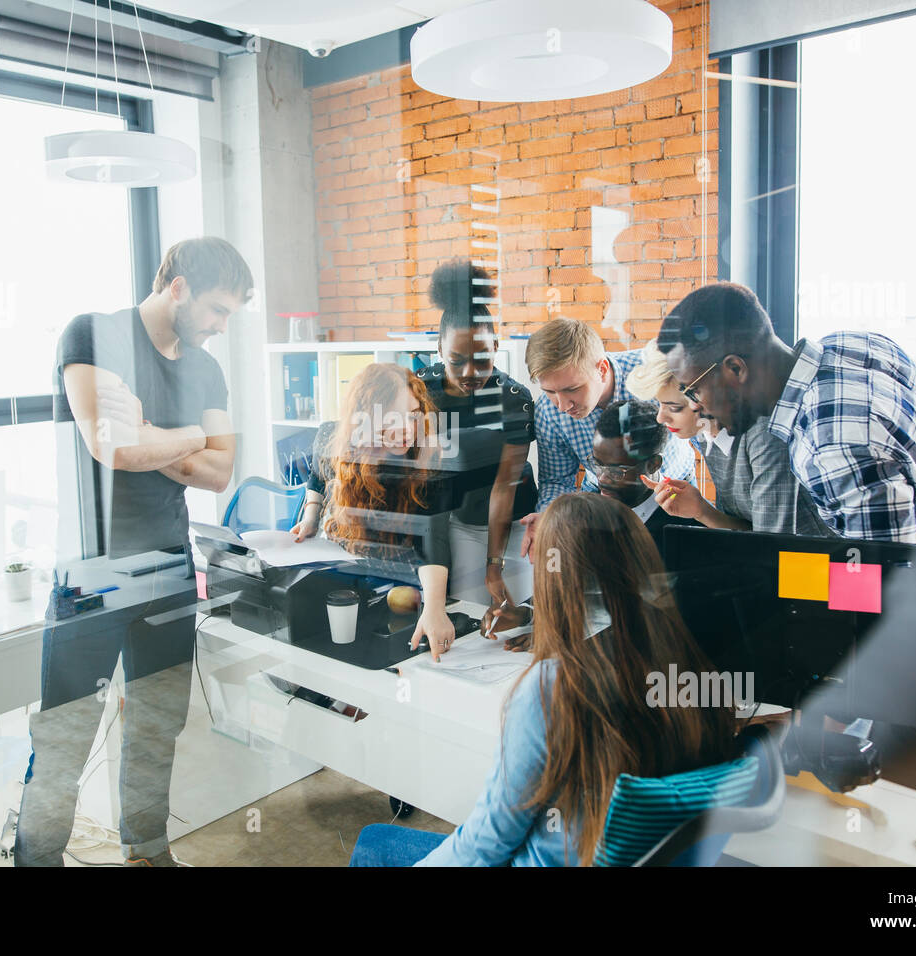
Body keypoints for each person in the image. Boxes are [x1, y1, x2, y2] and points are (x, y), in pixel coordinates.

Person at [15, 237, 253, 866]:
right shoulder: (93, 335)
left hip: (170, 567)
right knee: (65, 734)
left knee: (156, 728)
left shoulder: (205, 367)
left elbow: (221, 473)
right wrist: (193, 437)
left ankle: (146, 851)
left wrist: (155, 433)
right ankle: (37, 860)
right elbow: (110, 448)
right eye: (217, 310)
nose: (221, 327)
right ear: (177, 286)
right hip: (92, 571)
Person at [348, 492, 740, 866]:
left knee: (375, 843)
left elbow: (486, 845)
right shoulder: (685, 657)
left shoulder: (553, 688)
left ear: (557, 575)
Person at [656, 282, 916, 569]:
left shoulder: (828, 443)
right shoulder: (858, 345)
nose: (697, 403)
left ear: (735, 369)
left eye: (694, 388)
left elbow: (878, 592)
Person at [484, 399, 702, 638]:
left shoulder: (682, 531)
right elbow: (576, 594)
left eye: (617, 471)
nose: (603, 480)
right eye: (597, 465)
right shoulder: (583, 518)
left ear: (653, 464)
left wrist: (563, 638)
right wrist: (526, 614)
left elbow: (658, 625)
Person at [291, 363, 457, 659]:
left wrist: (434, 609)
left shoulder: (428, 455)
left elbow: (434, 538)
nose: (408, 429)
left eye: (414, 414)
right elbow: (318, 471)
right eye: (394, 418)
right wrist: (310, 516)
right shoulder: (333, 437)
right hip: (349, 569)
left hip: (402, 578)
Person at [417, 258, 537, 615]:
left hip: (515, 520)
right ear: (439, 350)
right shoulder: (422, 391)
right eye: (457, 361)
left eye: (482, 359)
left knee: (518, 612)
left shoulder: (513, 399)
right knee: (468, 612)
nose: (471, 373)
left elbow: (504, 486)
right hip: (461, 520)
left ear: (496, 345)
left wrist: (494, 566)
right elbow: (430, 485)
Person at [519, 317, 695, 555]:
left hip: (672, 487)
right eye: (550, 391)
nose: (561, 405)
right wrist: (549, 518)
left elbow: (700, 424)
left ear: (601, 369)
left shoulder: (652, 375)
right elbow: (557, 480)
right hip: (603, 496)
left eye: (572, 389)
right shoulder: (548, 411)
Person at [624, 339, 834, 538]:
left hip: (813, 563)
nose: (661, 417)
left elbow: (773, 544)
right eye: (659, 404)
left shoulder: (764, 436)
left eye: (674, 407)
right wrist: (701, 510)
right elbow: (748, 531)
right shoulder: (705, 431)